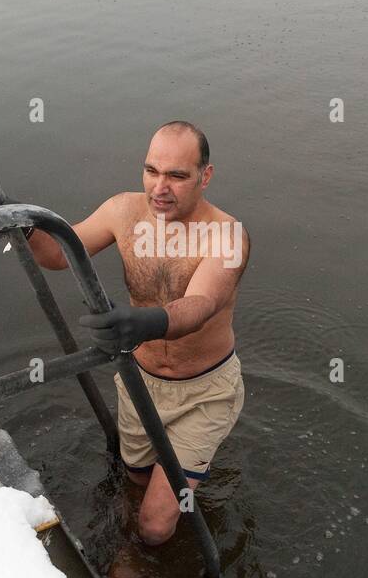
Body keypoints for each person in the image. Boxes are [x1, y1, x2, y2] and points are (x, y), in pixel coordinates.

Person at [21, 120, 249, 545]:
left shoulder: (226, 234)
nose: (160, 187)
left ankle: (162, 565)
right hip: (140, 382)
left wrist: (147, 321)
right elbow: (57, 254)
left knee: (155, 524)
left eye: (178, 176)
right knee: (137, 480)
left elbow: (200, 305)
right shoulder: (122, 211)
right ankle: (180, 488)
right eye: (151, 171)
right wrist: (27, 227)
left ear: (206, 175)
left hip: (205, 390)